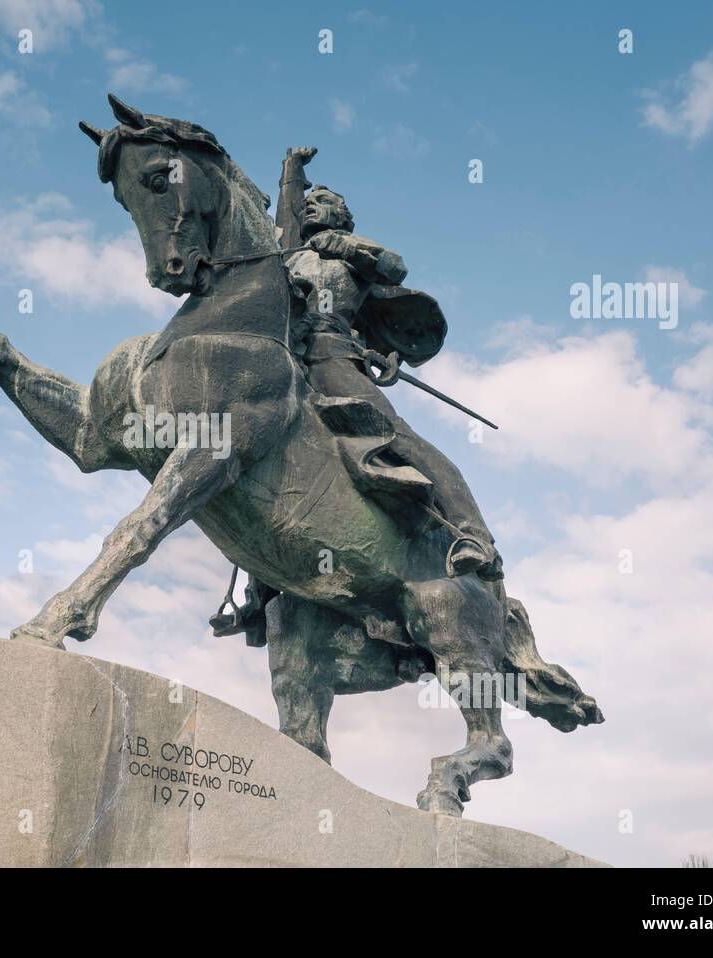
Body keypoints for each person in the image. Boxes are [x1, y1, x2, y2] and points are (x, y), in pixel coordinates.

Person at [210, 147, 501, 646]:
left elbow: (394, 267)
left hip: (335, 360)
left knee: (399, 440)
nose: (310, 208)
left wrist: (343, 248)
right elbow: (283, 222)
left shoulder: (350, 253)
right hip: (286, 360)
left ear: (341, 214)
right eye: (308, 203)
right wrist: (291, 175)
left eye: (321, 202)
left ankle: (473, 535)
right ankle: (259, 595)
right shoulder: (288, 256)